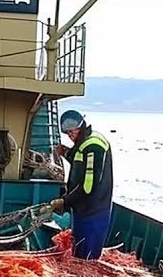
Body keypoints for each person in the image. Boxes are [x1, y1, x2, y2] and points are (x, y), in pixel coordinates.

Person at [49, 110, 114, 260]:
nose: (70, 135)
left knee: (87, 258)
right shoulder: (83, 143)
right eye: (67, 133)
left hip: (93, 211)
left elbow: (88, 187)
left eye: (73, 131)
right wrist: (65, 152)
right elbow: (80, 163)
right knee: (79, 252)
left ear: (81, 125)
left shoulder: (94, 145)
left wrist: (65, 201)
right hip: (82, 210)